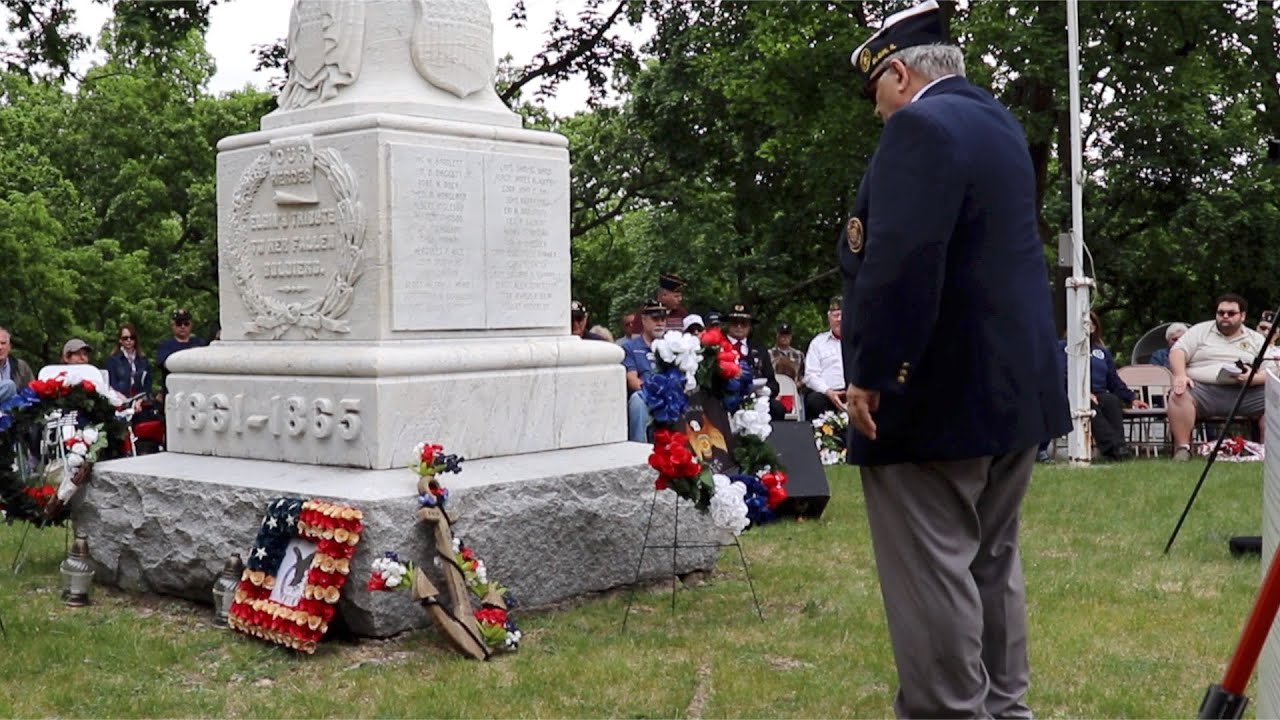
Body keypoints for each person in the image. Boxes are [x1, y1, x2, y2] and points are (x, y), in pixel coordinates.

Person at [840, 3, 1071, 716]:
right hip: (1012, 395)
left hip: (934, 397)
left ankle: (949, 710)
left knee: (934, 569)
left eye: (876, 88)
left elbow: (901, 262)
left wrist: (872, 373)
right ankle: (1005, 708)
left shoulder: (919, 126)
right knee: (992, 562)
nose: (877, 108)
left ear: (900, 74)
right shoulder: (998, 124)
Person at [1168, 293, 1268, 462]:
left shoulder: (1256, 339)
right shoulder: (1200, 331)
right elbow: (1178, 351)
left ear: (1242, 316)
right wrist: (1180, 375)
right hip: (1204, 391)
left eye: (1231, 313)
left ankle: (1270, 452)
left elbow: (1270, 370)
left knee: (1276, 396)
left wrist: (1253, 377)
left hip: (1246, 393)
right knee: (1179, 392)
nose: (1225, 317)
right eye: (1221, 313)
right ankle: (1183, 450)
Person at [1067, 311, 1148, 462]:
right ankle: (1114, 448)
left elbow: (1113, 379)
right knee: (1088, 404)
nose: (1088, 327)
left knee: (1111, 400)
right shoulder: (1065, 349)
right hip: (1073, 394)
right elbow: (1063, 375)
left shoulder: (1102, 352)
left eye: (1091, 324)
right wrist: (1085, 392)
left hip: (1100, 393)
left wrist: (1132, 398)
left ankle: (1119, 448)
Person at [723, 303, 785, 420]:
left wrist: (766, 390)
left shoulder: (759, 349)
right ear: (728, 324)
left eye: (744, 323)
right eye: (735, 322)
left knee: (777, 408)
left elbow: (773, 383)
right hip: (726, 398)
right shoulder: (718, 347)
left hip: (755, 398)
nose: (739, 326)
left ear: (750, 326)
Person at [621, 300, 669, 443]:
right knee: (637, 399)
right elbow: (633, 381)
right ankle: (638, 447)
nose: (660, 323)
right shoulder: (630, 347)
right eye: (655, 319)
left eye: (663, 319)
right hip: (647, 395)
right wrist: (654, 391)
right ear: (644, 320)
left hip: (671, 395)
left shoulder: (673, 344)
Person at [803, 297, 847, 419]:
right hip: (827, 395)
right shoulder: (818, 343)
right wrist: (829, 392)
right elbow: (811, 375)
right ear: (829, 318)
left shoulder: (858, 342)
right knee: (814, 400)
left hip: (855, 394)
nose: (839, 319)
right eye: (835, 315)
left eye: (843, 315)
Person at [156, 308, 208, 400]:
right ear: (173, 326)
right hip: (174, 394)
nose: (183, 327)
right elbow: (165, 364)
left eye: (186, 323)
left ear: (191, 325)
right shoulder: (166, 346)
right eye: (179, 324)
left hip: (197, 393)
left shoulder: (200, 344)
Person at [106, 323, 153, 399]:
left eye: (132, 337)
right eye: (125, 338)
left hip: (141, 400)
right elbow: (111, 383)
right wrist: (122, 399)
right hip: (120, 400)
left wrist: (141, 399)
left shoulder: (143, 360)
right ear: (120, 340)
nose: (129, 340)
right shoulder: (113, 360)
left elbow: (148, 383)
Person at [0, 326, 34, 404]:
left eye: (3, 343)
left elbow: (32, 391)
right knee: (9, 386)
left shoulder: (21, 367)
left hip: (13, 412)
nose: (0, 347)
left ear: (10, 347)